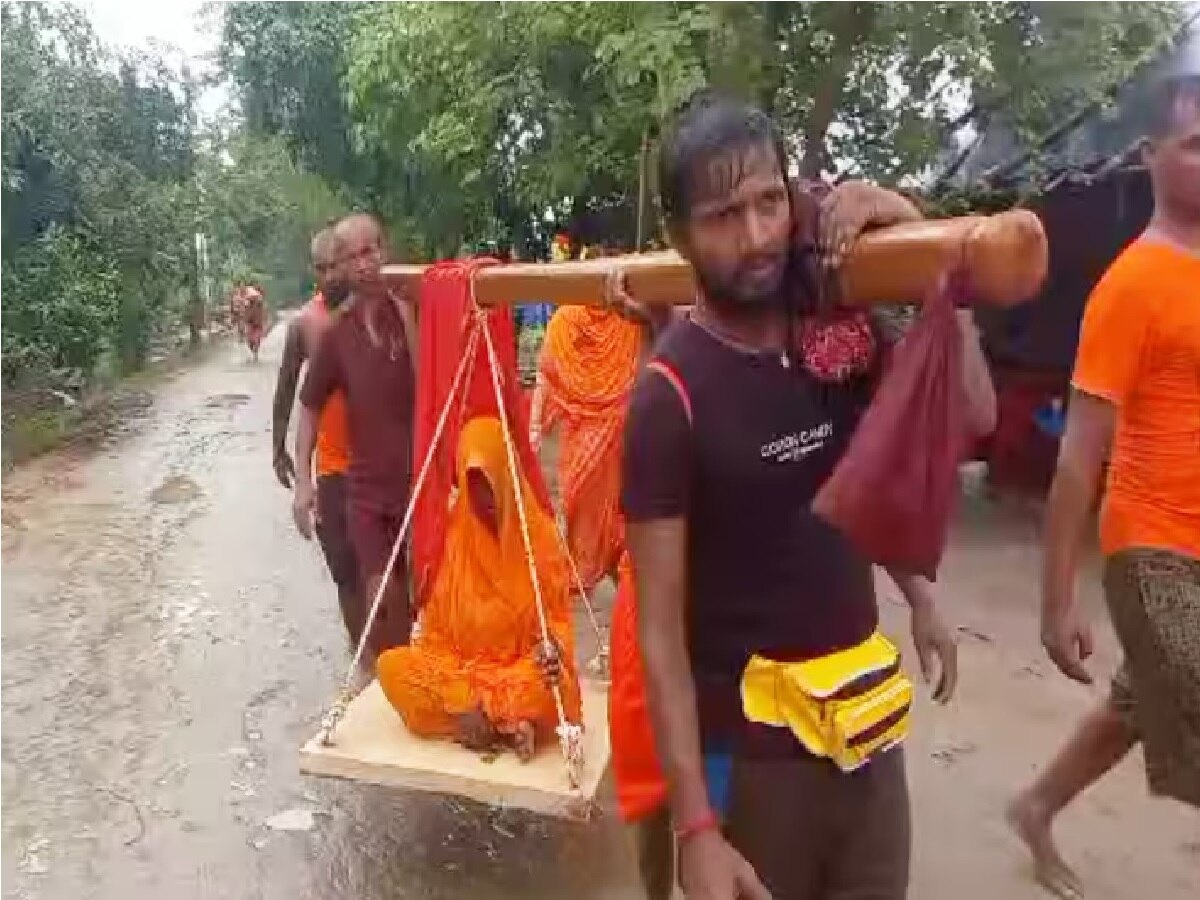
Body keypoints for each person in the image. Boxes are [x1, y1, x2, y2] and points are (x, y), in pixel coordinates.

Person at [621, 91, 995, 900]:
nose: (757, 237)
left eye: (769, 202)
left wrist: (910, 224)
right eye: (724, 215)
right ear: (681, 236)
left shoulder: (836, 336)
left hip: (866, 738)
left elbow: (972, 414)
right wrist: (696, 829)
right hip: (752, 763)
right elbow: (658, 634)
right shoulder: (670, 396)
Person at [1008, 74, 1200, 900]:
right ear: (1151, 155)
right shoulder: (1129, 286)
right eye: (1194, 144)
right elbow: (1079, 455)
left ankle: (1037, 805)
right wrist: (1056, 602)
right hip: (1148, 541)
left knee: (1139, 700)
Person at [377, 415, 581, 760]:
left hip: (518, 674)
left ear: (507, 476)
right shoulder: (457, 537)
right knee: (391, 667)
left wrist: (552, 651)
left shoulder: (541, 539)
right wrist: (462, 702)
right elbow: (435, 640)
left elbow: (558, 625)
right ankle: (496, 725)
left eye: (488, 481)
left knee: (554, 685)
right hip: (463, 674)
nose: (483, 497)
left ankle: (498, 723)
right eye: (473, 483)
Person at [294, 213, 419, 666]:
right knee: (381, 597)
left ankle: (400, 686)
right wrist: (304, 483)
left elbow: (429, 390)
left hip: (412, 486)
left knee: (419, 598)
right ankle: (385, 684)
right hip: (365, 496)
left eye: (372, 251)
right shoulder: (335, 336)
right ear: (342, 266)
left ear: (385, 251)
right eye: (353, 256)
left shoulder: (406, 315)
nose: (365, 264)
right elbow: (308, 407)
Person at [530, 244, 646, 591]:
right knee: (579, 508)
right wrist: (535, 425)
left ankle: (622, 588)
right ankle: (590, 572)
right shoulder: (566, 320)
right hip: (582, 443)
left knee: (622, 529)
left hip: (623, 439)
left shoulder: (629, 319)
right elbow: (546, 376)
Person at [271, 227, 361, 652]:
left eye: (335, 266)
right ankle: (360, 655)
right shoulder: (306, 325)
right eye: (320, 268)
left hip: (379, 466)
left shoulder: (380, 311)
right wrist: (281, 453)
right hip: (333, 469)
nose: (329, 276)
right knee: (345, 573)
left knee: (390, 571)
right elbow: (288, 390)